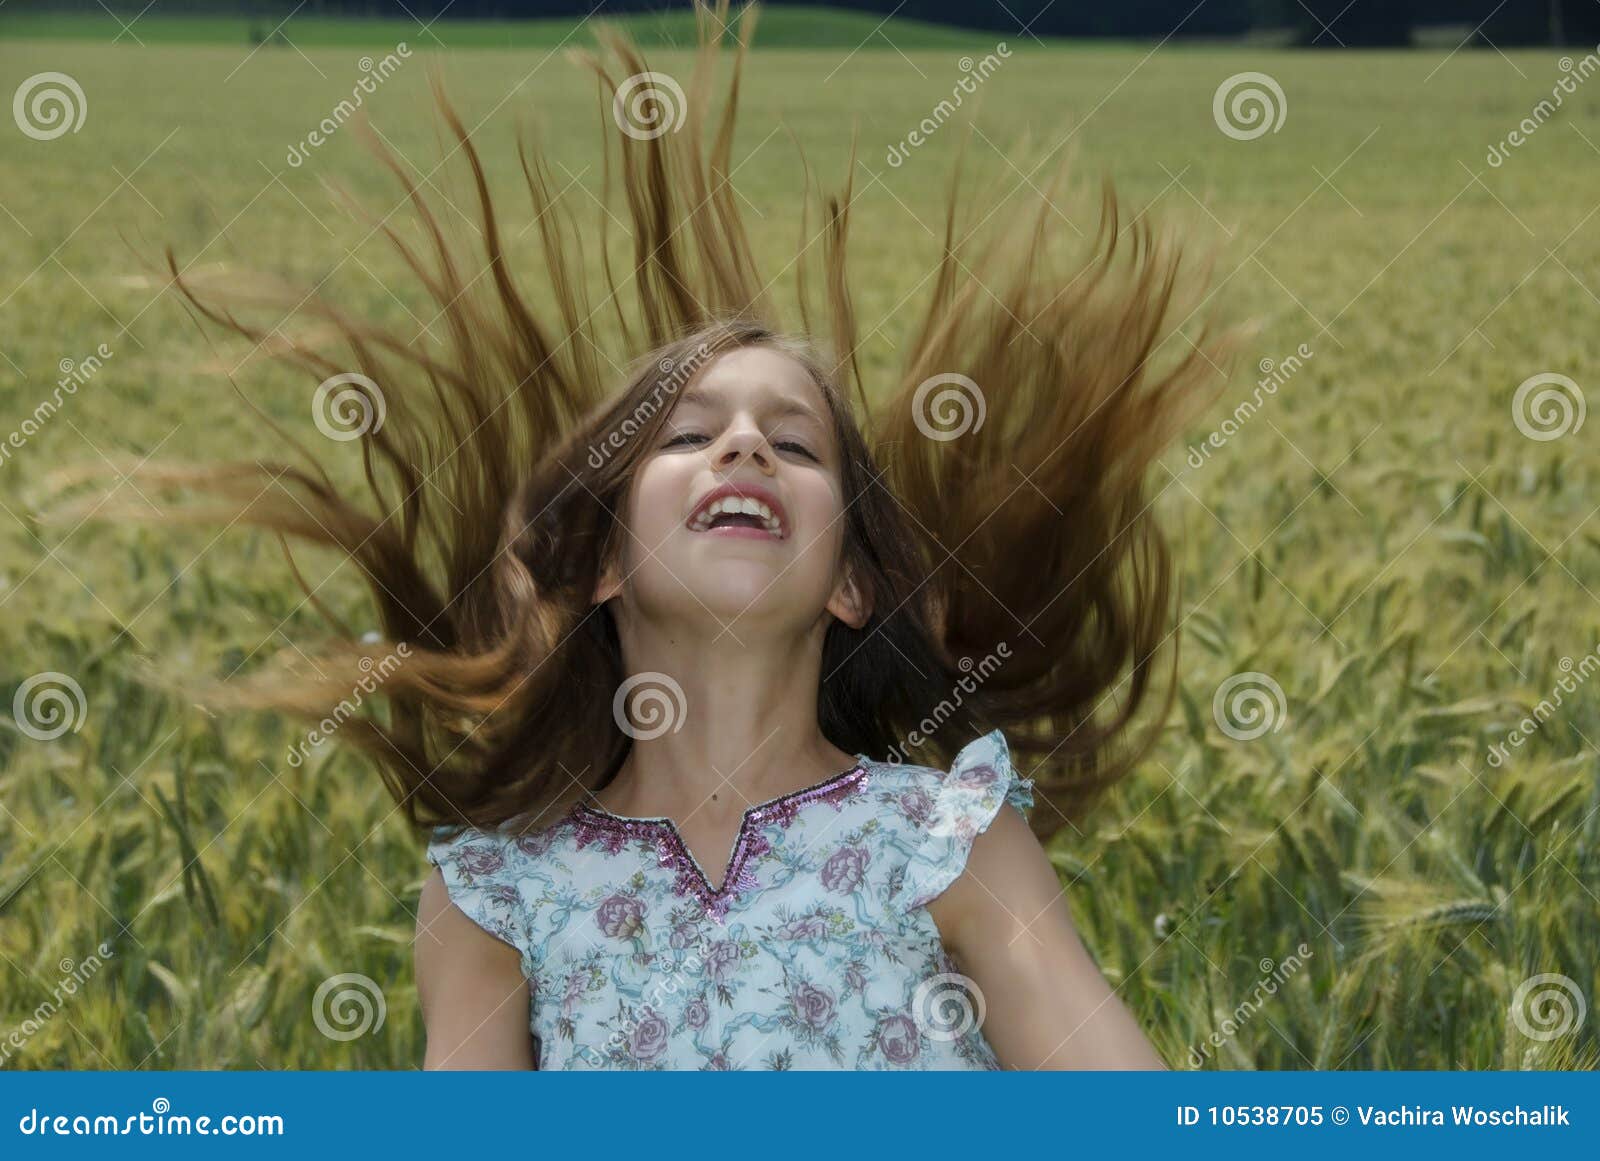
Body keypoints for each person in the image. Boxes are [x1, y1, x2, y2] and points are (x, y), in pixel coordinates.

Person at [95, 0, 1242, 1068]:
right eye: (687, 436)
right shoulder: (498, 891)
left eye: (794, 446)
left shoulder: (946, 839)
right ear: (599, 560)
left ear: (848, 584)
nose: (743, 448)